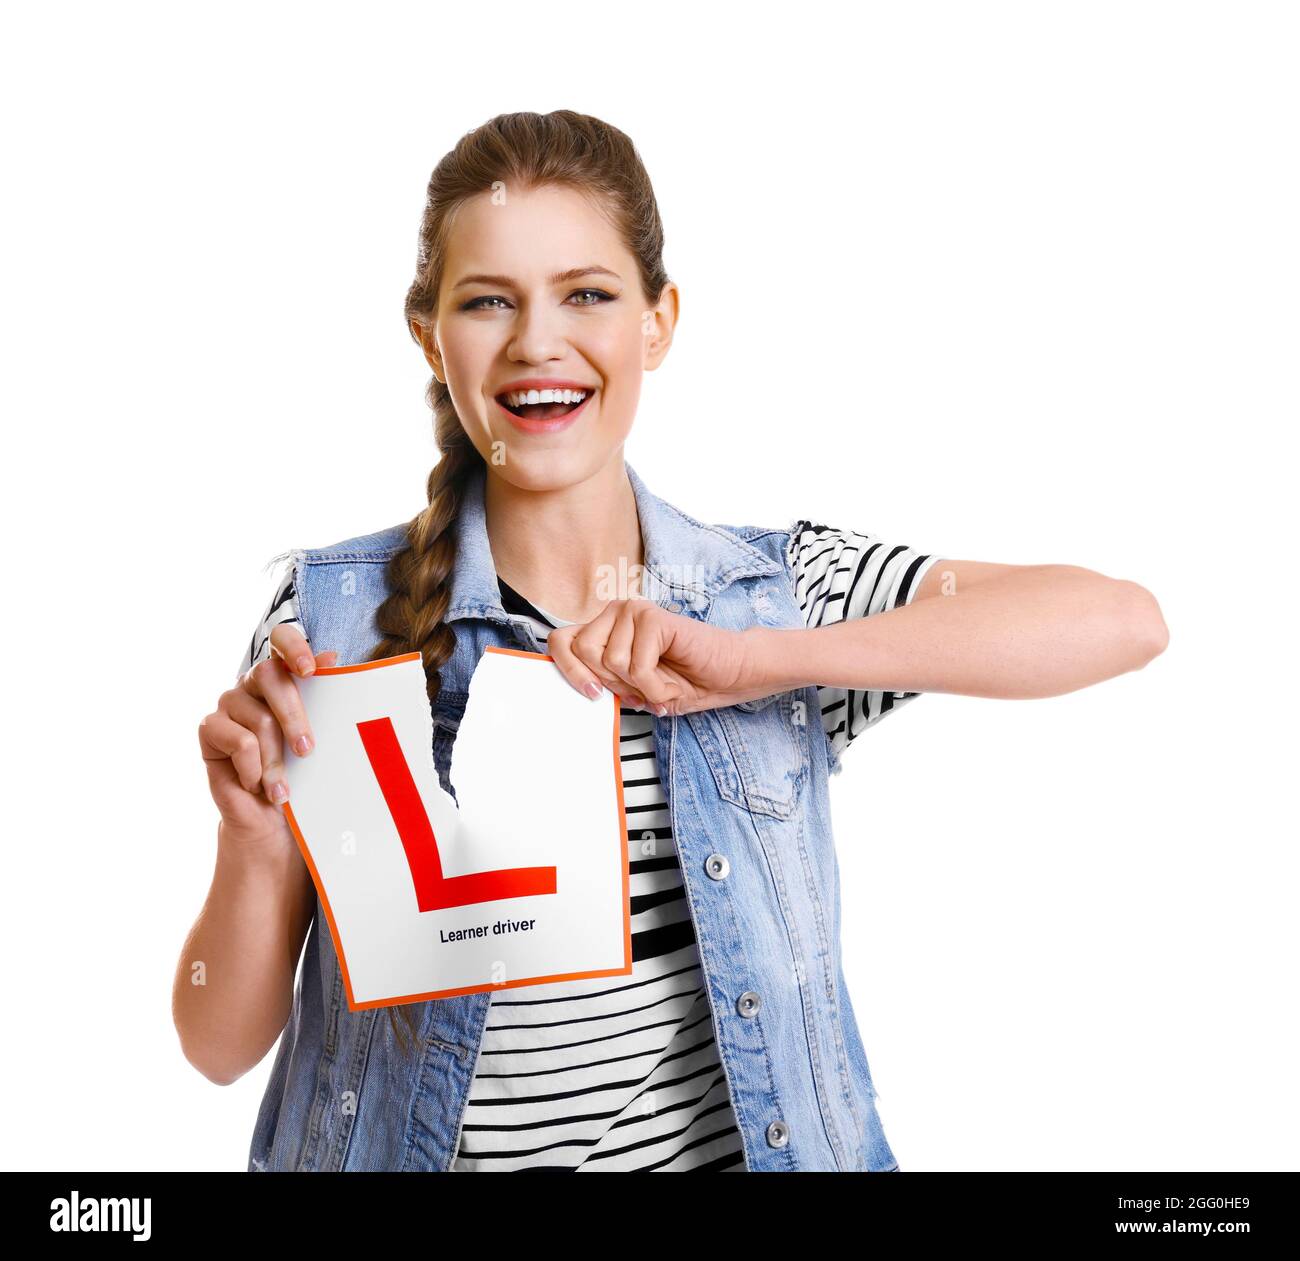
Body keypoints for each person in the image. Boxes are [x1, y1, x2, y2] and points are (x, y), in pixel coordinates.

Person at [174, 109, 1169, 1172]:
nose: (536, 343)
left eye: (587, 294)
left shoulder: (768, 595)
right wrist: (253, 836)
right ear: (429, 333)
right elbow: (216, 1044)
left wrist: (762, 663)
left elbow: (1120, 619)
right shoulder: (326, 625)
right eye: (487, 302)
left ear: (658, 320)